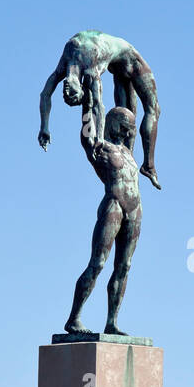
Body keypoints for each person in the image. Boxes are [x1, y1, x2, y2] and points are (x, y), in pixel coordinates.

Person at [38, 30, 161, 190]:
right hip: (114, 62)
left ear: (82, 87)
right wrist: (44, 127)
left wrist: (100, 138)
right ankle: (128, 161)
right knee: (127, 117)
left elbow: (98, 105)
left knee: (153, 109)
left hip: (130, 57)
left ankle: (149, 166)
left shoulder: (90, 70)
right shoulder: (65, 65)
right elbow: (45, 95)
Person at [63, 104, 142, 336]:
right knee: (98, 263)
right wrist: (89, 101)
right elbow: (87, 135)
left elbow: (131, 98)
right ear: (114, 124)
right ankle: (74, 318)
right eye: (127, 127)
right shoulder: (101, 148)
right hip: (114, 204)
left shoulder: (128, 152)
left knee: (124, 266)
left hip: (135, 209)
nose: (130, 132)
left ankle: (112, 321)